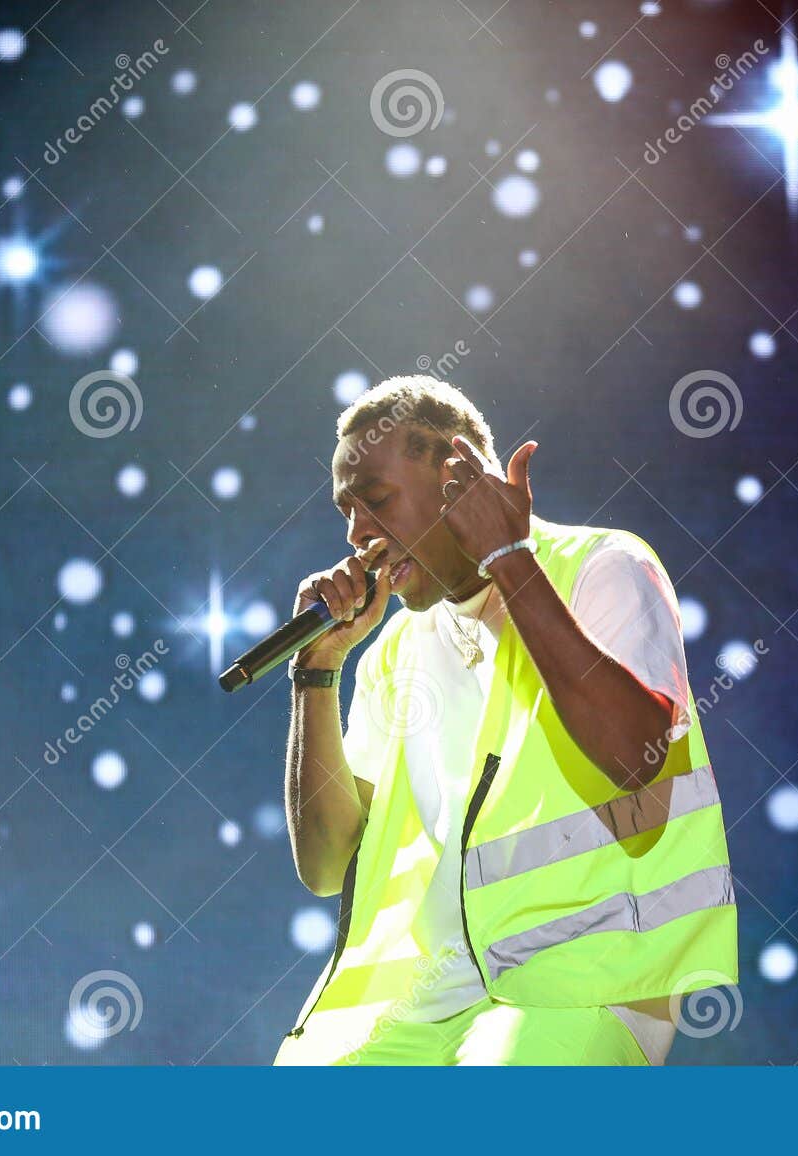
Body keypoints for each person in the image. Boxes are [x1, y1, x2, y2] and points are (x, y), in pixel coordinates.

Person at [272, 375, 738, 1066]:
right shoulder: (393, 652)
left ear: (461, 478)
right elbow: (324, 866)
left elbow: (635, 760)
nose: (356, 534)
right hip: (422, 1003)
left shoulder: (603, 567)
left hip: (583, 982)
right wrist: (317, 671)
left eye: (375, 502)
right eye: (346, 512)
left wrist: (508, 558)